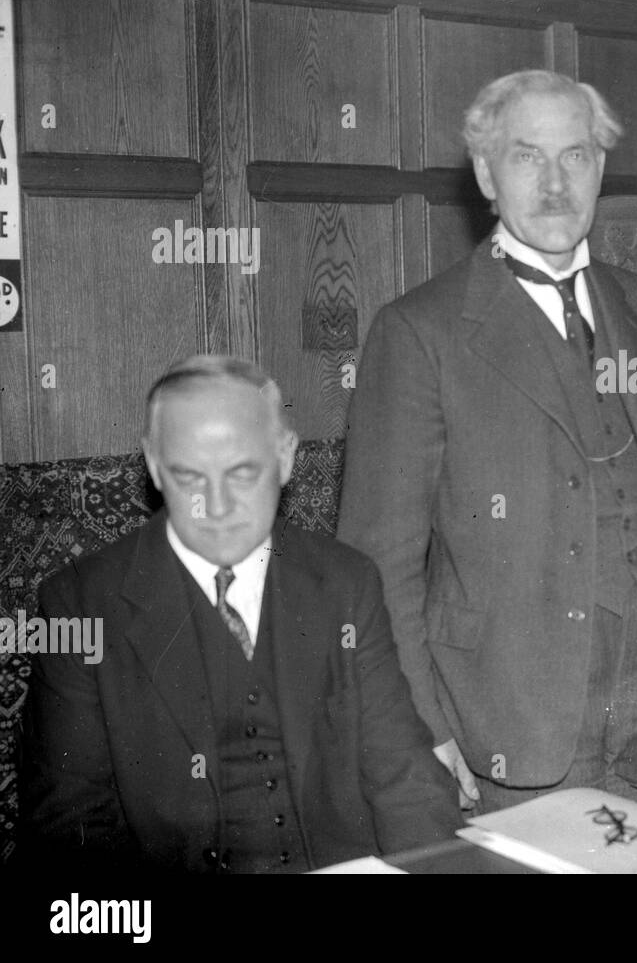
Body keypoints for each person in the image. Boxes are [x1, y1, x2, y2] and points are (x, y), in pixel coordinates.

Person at [337, 69, 637, 811]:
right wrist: (420, 723)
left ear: (600, 167)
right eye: (526, 156)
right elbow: (379, 563)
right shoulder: (419, 331)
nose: (554, 182)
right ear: (484, 172)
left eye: (575, 155)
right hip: (515, 709)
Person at [20, 356, 461, 873]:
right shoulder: (77, 606)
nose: (218, 506)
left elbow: (405, 778)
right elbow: (68, 829)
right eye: (189, 477)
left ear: (285, 458)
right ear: (155, 465)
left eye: (243, 473)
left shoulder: (346, 581)